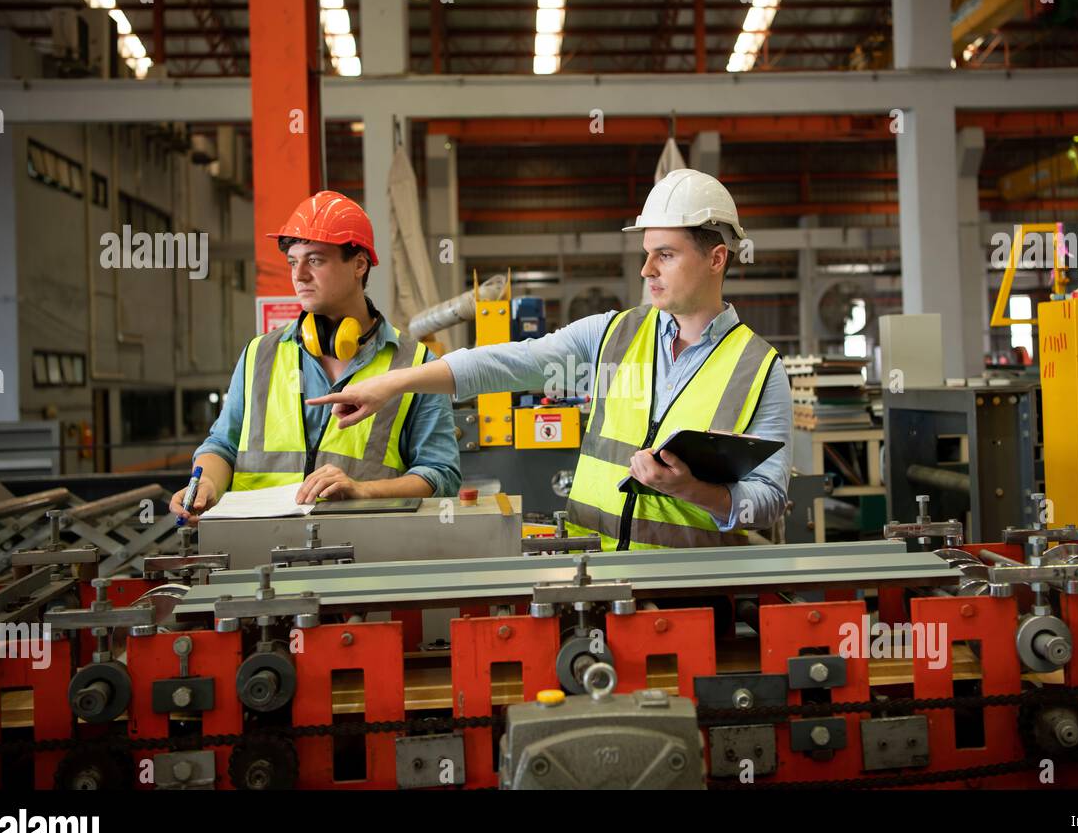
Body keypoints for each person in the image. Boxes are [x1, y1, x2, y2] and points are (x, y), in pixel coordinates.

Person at [308, 170, 792, 551]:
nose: (646, 269)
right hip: (596, 584)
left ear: (717, 259)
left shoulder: (759, 369)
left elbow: (768, 503)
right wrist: (394, 383)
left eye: (665, 254)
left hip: (694, 594)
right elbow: (505, 362)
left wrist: (691, 490)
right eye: (646, 254)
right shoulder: (613, 334)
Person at [170, 191, 460, 525]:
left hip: (364, 552)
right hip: (256, 548)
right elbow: (223, 445)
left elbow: (441, 475)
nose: (299, 275)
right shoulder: (259, 354)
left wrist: (363, 491)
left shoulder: (416, 364)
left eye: (315, 260)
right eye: (294, 261)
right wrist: (206, 483)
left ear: (359, 264)